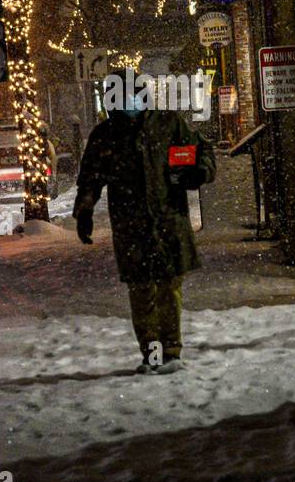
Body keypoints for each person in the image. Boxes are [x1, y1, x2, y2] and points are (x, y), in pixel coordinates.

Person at [73, 71, 216, 374]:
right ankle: (152, 353)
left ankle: (172, 351)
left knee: (168, 288)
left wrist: (196, 172)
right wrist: (84, 212)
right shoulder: (106, 135)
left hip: (168, 221)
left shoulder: (169, 124)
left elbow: (201, 154)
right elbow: (90, 179)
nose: (129, 102)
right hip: (131, 226)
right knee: (142, 292)